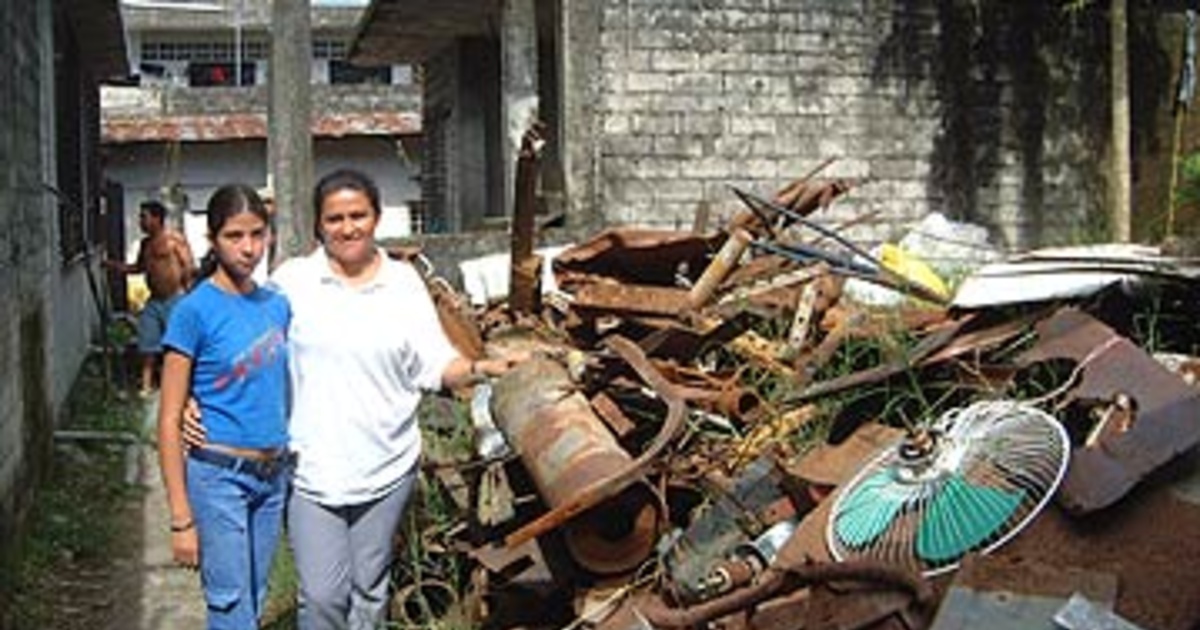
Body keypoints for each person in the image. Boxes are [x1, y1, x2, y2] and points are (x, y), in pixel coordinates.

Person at [158, 185, 292, 629]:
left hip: (273, 479)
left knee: (254, 598)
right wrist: (181, 519)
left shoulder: (277, 306)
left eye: (257, 233)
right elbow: (169, 418)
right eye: (235, 235)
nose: (248, 247)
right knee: (231, 607)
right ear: (213, 239)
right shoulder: (193, 311)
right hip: (219, 480)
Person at [105, 200, 196, 395]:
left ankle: (181, 388)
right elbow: (138, 268)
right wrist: (114, 266)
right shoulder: (145, 244)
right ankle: (146, 387)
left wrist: (188, 295)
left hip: (175, 299)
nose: (140, 222)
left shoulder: (174, 239)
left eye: (144, 217)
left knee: (177, 346)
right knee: (147, 344)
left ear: (157, 219)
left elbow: (189, 266)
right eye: (140, 217)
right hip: (154, 301)